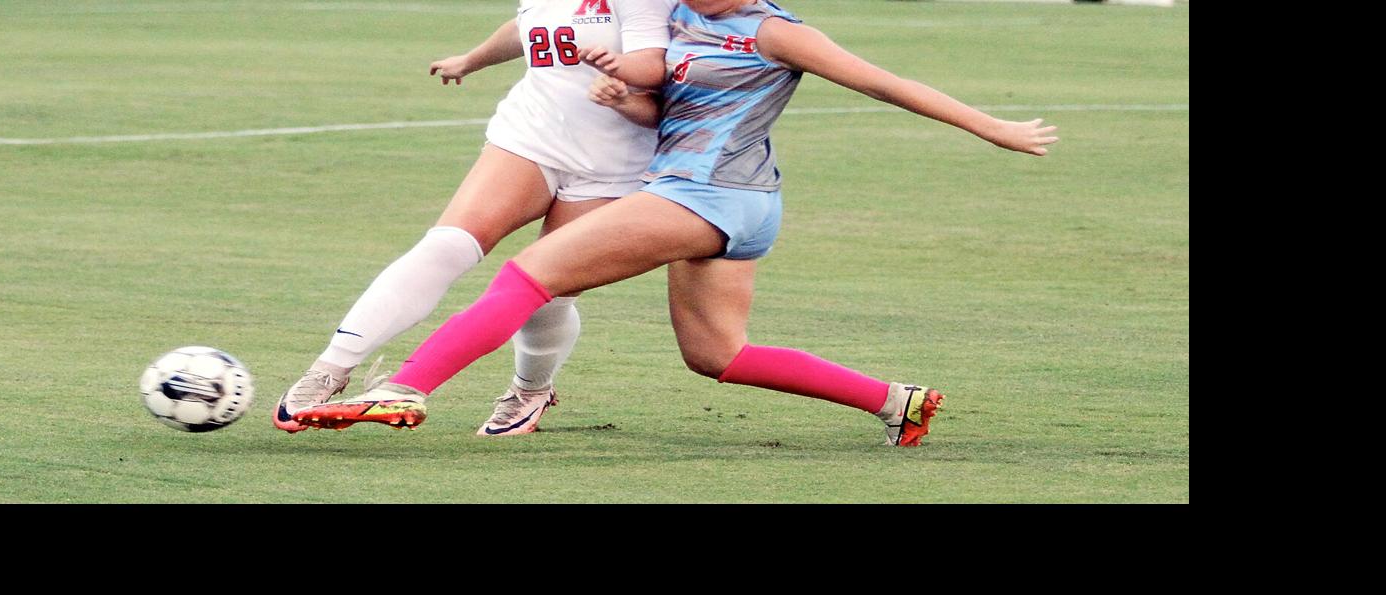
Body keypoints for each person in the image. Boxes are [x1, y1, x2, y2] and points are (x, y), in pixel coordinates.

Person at [295, 0, 1057, 446]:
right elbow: (614, 64)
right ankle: (898, 401)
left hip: (710, 198)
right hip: (731, 201)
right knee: (716, 355)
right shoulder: (678, 17)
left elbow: (889, 83)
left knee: (531, 273)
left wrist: (992, 127)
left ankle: (404, 387)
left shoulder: (776, 31)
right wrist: (621, 91)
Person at [272, 0, 677, 437]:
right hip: (530, 136)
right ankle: (329, 368)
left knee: (549, 289)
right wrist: (472, 60)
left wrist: (618, 71)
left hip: (617, 159)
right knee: (447, 245)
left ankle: (531, 389)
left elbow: (653, 64)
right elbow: (528, 26)